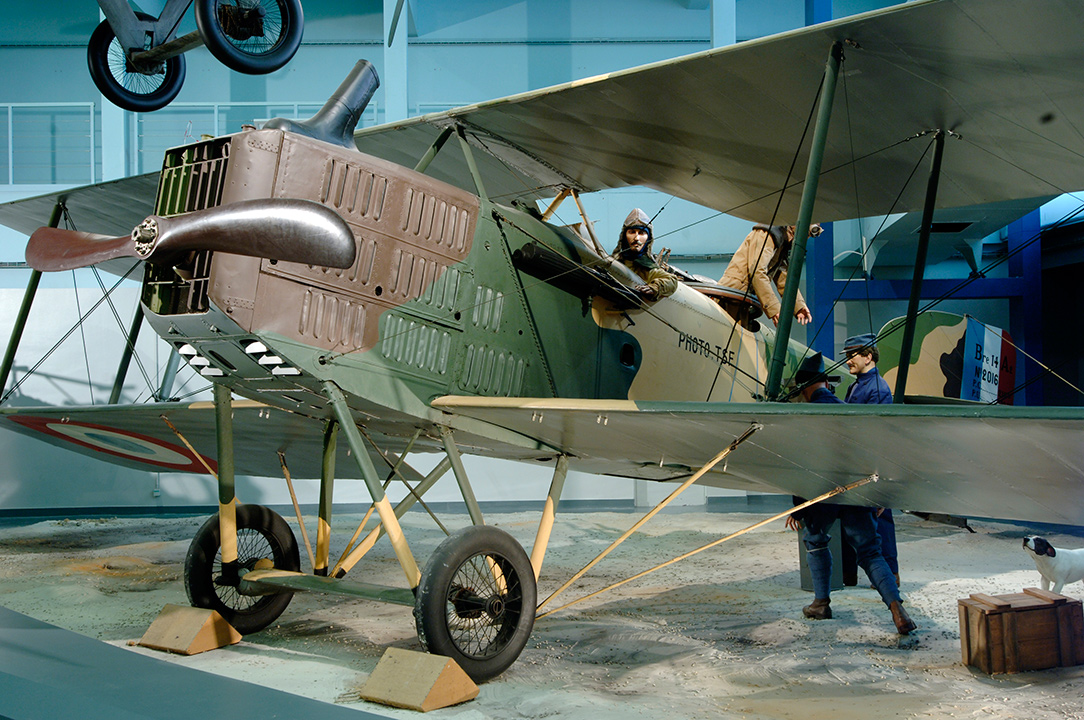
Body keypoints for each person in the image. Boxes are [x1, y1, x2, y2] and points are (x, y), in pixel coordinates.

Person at [786, 353, 917, 635]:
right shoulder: (848, 411)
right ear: (826, 384)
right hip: (856, 489)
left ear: (806, 388)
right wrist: (877, 495)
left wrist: (797, 507)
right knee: (870, 551)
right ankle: (897, 608)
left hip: (822, 492)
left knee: (816, 541)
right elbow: (874, 452)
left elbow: (800, 463)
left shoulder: (804, 417)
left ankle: (821, 602)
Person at [841, 333, 900, 585]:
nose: (848, 362)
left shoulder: (877, 388)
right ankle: (852, 572)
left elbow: (881, 434)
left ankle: (891, 574)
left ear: (868, 356)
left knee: (880, 519)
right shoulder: (857, 385)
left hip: (871, 464)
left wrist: (881, 477)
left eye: (852, 355)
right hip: (857, 461)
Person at [719, 224, 818, 326]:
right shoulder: (767, 234)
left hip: (744, 298)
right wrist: (774, 309)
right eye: (807, 234)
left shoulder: (781, 241)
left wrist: (799, 306)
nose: (806, 238)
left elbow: (783, 278)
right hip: (733, 294)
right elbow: (757, 271)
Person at [613, 208, 679, 301]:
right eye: (632, 232)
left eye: (641, 233)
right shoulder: (613, 262)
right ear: (624, 236)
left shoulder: (647, 267)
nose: (636, 238)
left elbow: (672, 280)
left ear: (648, 239)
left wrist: (655, 287)